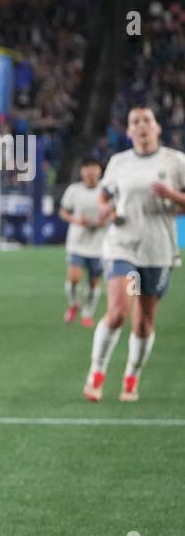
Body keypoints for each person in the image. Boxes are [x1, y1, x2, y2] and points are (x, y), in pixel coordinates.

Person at [82, 106, 185, 402]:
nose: (141, 126)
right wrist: (106, 210)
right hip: (123, 247)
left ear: (157, 127)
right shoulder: (119, 163)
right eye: (135, 122)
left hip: (159, 250)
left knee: (143, 322)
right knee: (117, 313)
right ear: (128, 131)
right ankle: (97, 372)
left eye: (146, 121)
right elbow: (104, 197)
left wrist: (171, 195)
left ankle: (132, 375)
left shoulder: (175, 162)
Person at [58, 158, 107, 327]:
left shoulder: (106, 191)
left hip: (98, 244)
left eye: (93, 168)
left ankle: (88, 313)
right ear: (82, 171)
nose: (90, 172)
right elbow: (63, 212)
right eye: (87, 168)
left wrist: (104, 221)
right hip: (77, 242)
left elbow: (114, 211)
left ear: (99, 171)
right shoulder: (74, 190)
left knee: (94, 281)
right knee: (74, 277)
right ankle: (73, 305)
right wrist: (77, 220)